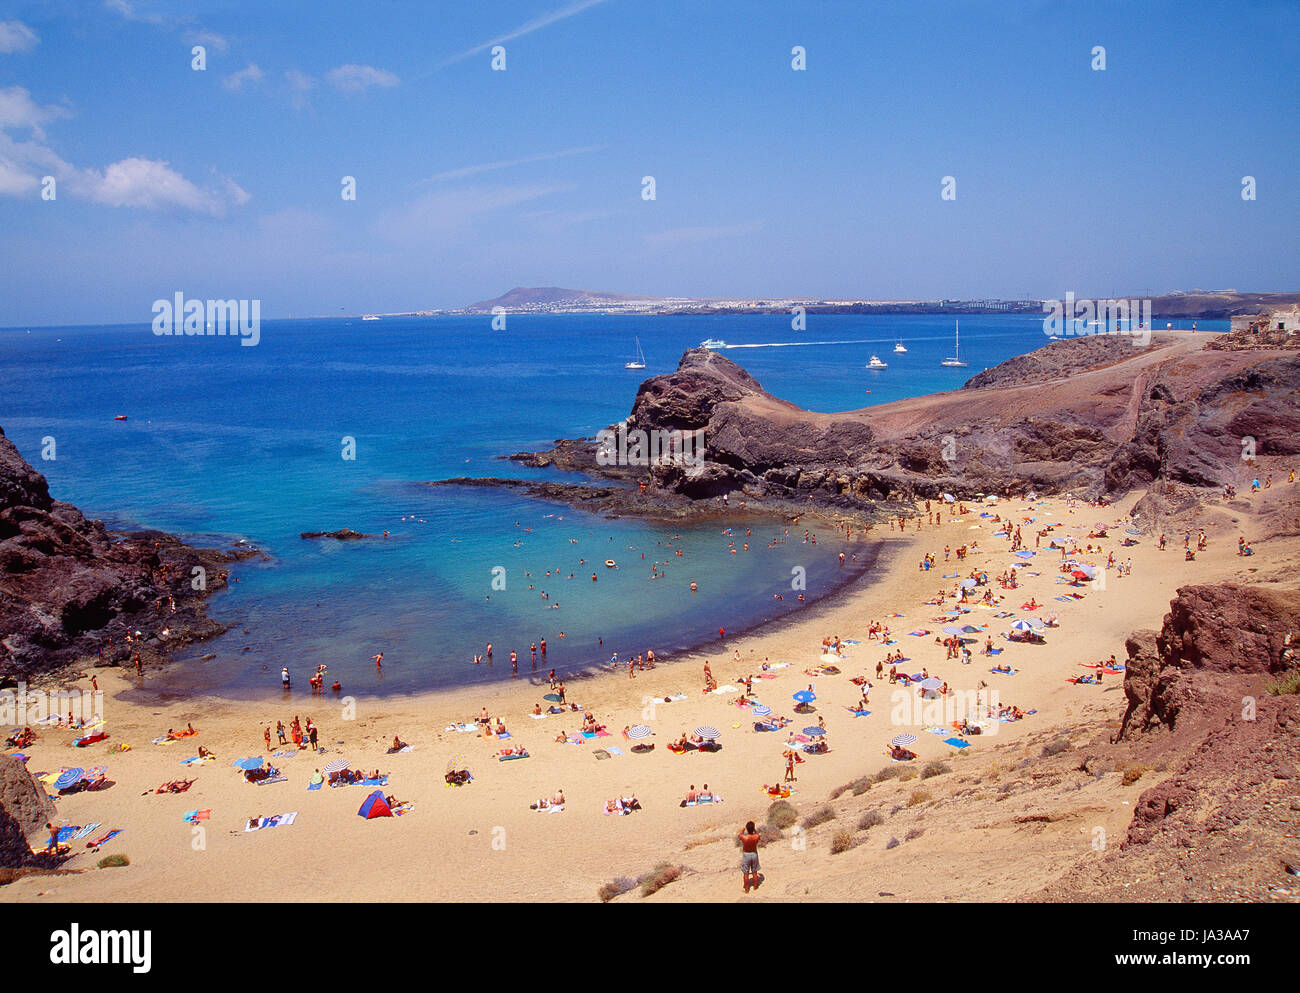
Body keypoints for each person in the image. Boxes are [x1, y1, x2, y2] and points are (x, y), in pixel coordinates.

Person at [738, 821, 761, 893]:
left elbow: (740, 835)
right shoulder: (756, 836)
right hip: (754, 854)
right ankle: (755, 887)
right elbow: (757, 834)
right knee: (754, 872)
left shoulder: (744, 837)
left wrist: (743, 829)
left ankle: (747, 889)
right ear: (753, 828)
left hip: (746, 854)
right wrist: (754, 829)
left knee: (746, 873)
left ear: (747, 829)